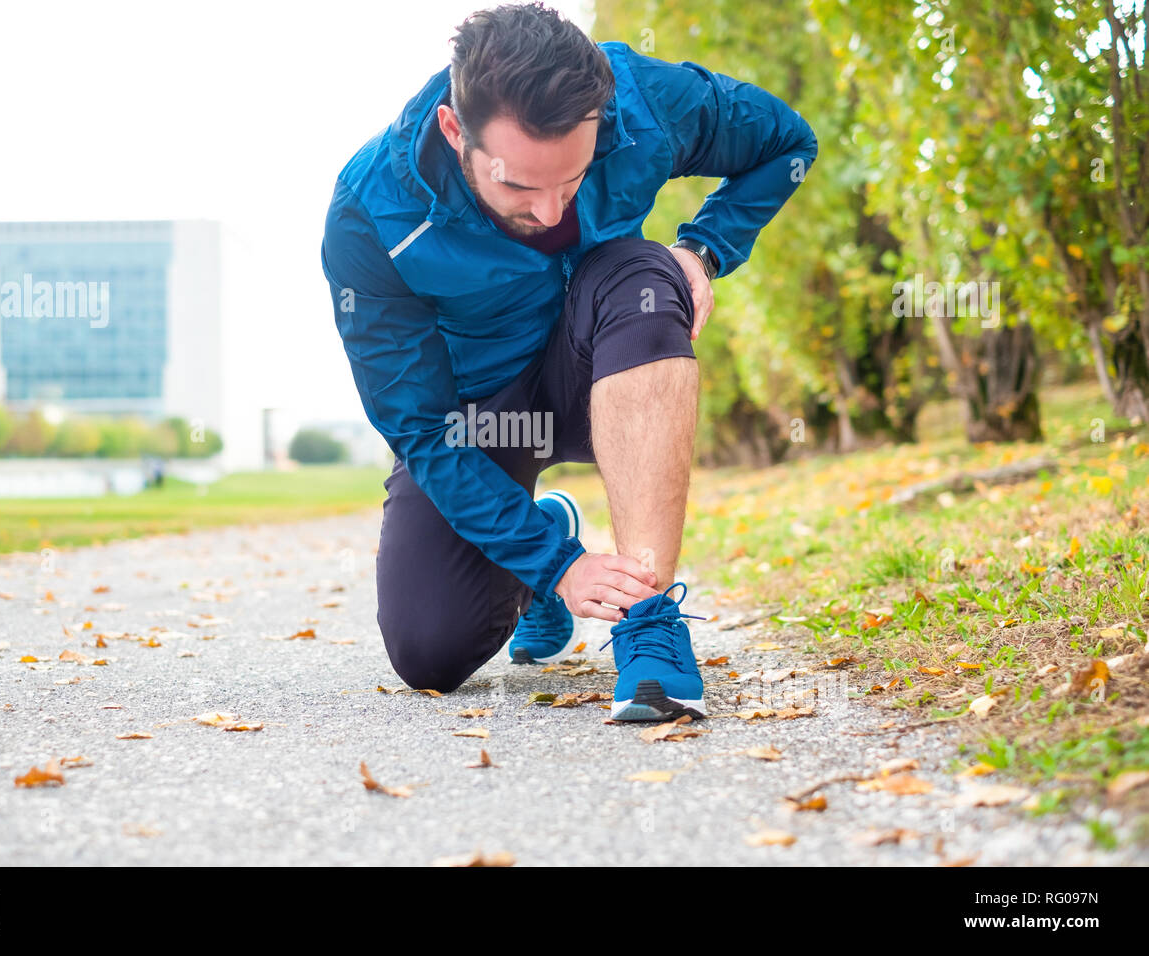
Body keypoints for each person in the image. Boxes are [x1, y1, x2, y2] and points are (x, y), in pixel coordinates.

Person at [320, 2, 816, 721]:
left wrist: (704, 249)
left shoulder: (640, 99)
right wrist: (556, 561)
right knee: (429, 653)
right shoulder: (370, 210)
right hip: (478, 419)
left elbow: (786, 143)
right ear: (455, 131)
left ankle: (648, 627)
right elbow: (423, 431)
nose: (551, 211)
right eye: (519, 186)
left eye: (573, 178)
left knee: (644, 276)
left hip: (607, 358)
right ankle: (545, 547)